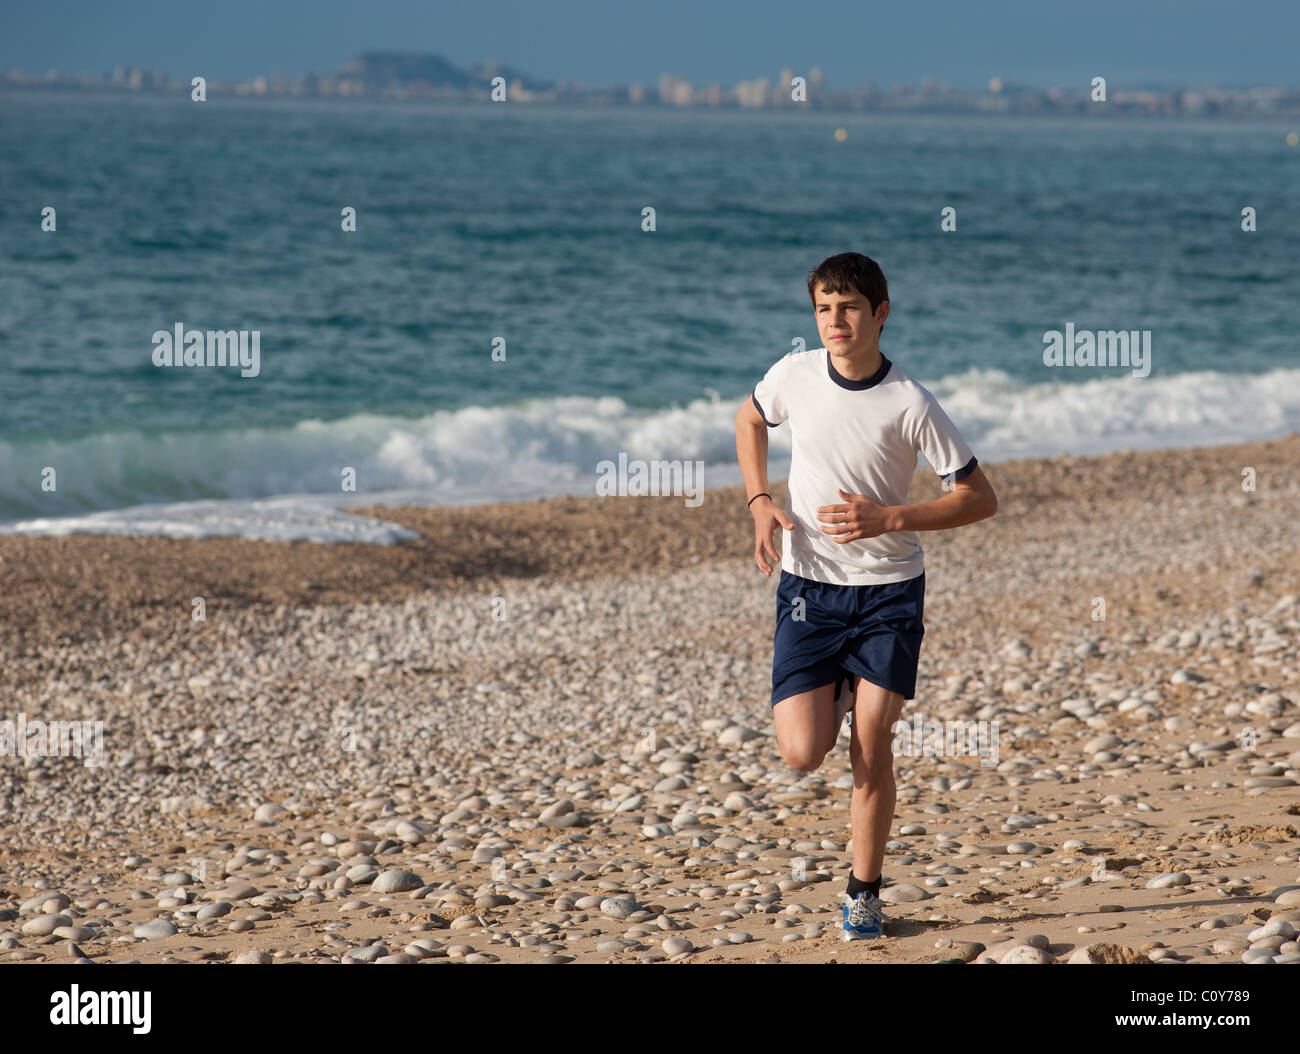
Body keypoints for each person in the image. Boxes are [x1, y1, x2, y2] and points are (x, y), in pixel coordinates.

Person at [734, 252, 998, 941]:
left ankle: (864, 894)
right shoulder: (794, 375)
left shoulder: (910, 402)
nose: (835, 321)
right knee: (801, 752)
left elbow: (979, 496)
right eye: (823, 308)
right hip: (808, 591)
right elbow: (750, 420)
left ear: (880, 312)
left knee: (872, 747)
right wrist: (761, 500)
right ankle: (843, 689)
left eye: (849, 307)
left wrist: (894, 517)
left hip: (888, 593)